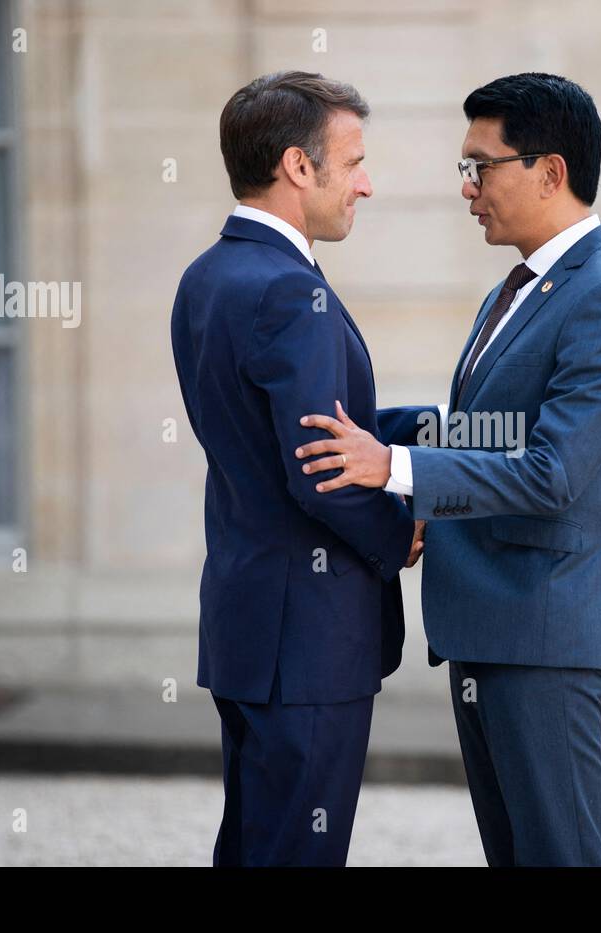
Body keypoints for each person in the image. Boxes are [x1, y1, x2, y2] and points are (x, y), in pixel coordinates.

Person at [293, 73, 601, 866]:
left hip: (544, 628)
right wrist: (375, 441)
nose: (468, 190)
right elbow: (483, 432)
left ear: (550, 172)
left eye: (481, 167)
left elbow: (552, 471)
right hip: (491, 624)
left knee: (559, 855)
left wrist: (394, 467)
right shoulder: (523, 285)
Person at [169, 71, 421, 866]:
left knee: (252, 846)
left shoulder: (207, 276)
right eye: (353, 164)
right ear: (298, 167)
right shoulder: (288, 290)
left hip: (247, 621)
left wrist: (432, 435)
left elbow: (284, 430)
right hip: (310, 637)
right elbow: (318, 468)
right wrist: (399, 536)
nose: (367, 185)